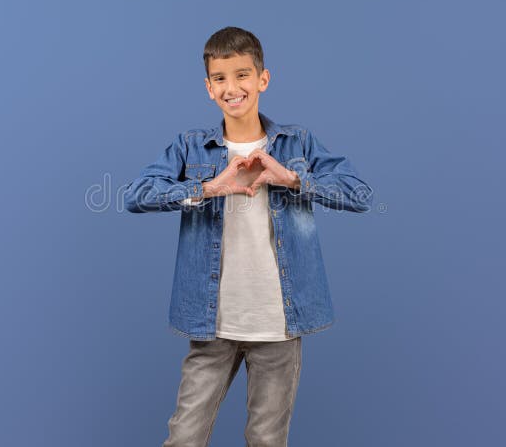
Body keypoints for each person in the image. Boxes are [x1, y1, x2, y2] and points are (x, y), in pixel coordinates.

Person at [123, 26, 373, 447]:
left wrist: (292, 178)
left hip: (278, 324)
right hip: (212, 323)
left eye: (242, 75)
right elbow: (135, 196)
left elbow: (360, 194)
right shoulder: (191, 147)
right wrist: (206, 188)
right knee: (184, 437)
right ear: (208, 87)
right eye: (219, 78)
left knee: (266, 439)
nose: (231, 87)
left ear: (262, 79)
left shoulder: (296, 143)